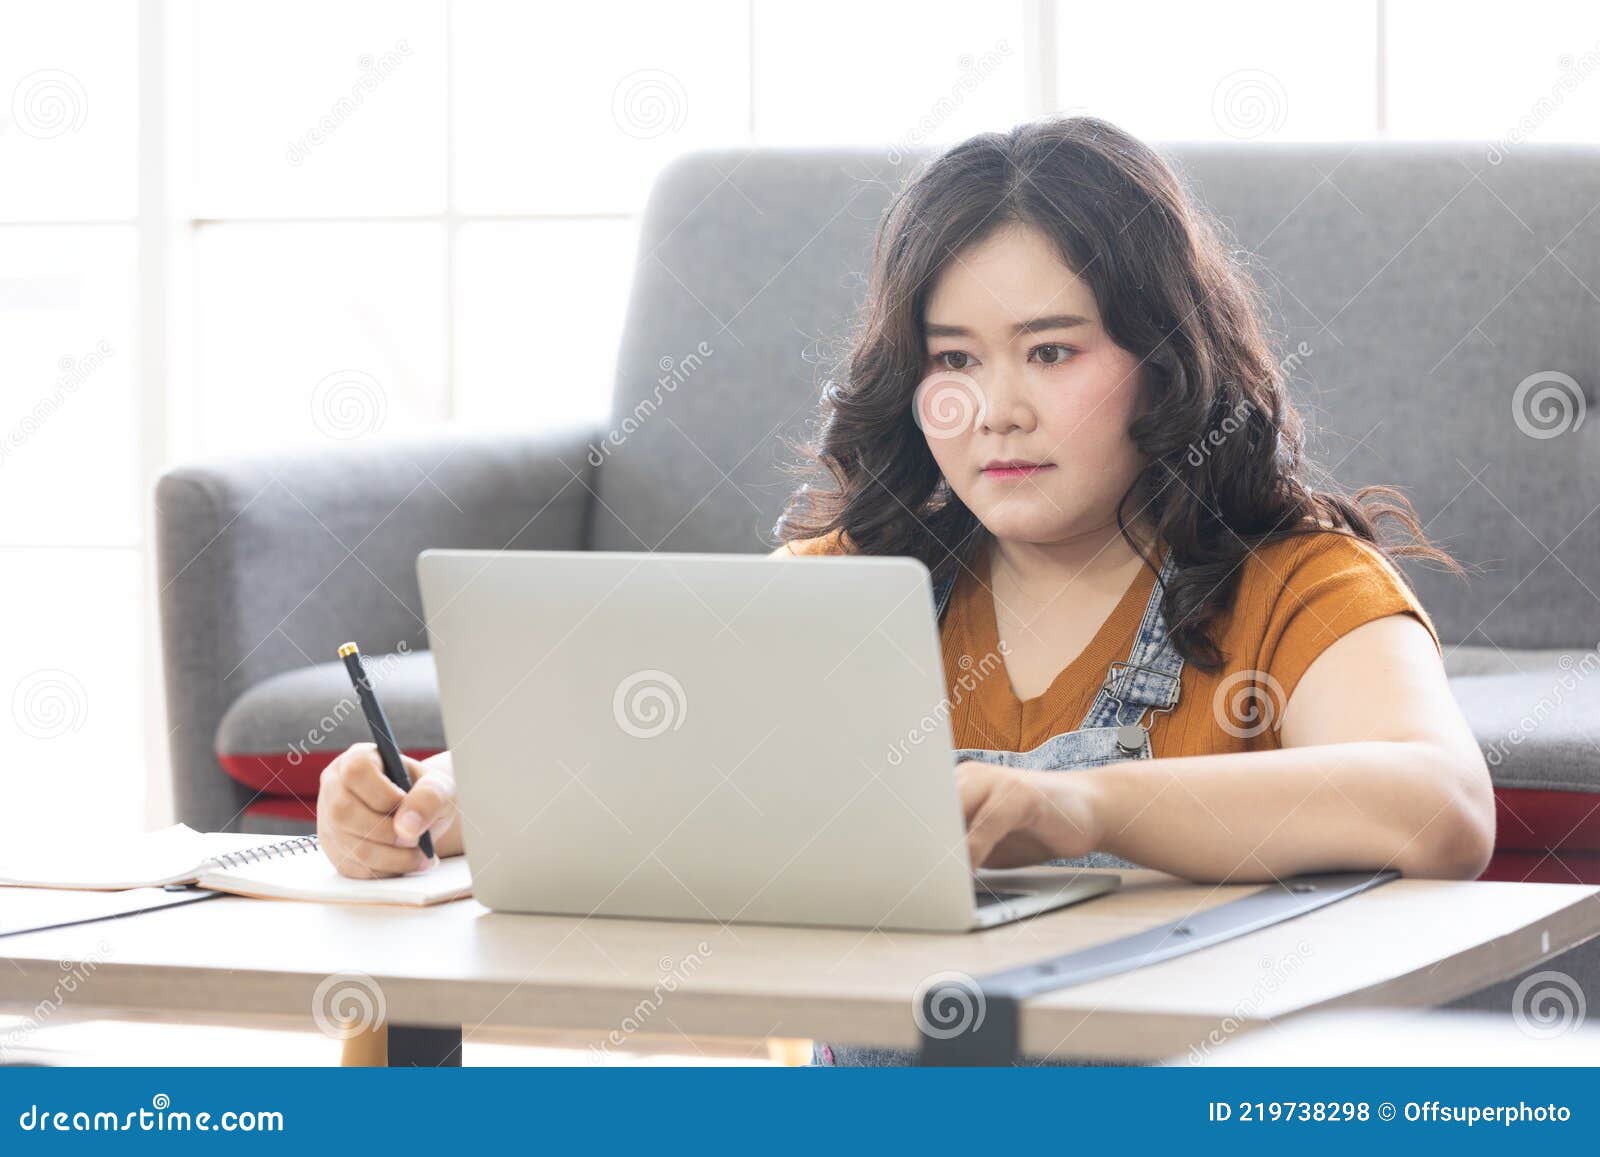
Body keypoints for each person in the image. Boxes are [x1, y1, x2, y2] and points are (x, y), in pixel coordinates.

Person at [315, 118, 1495, 1042]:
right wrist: (441, 795)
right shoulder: (852, 583)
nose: (996, 409)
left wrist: (1080, 806)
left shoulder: (1294, 581)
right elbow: (651, 755)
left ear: (1164, 359)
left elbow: (1439, 804)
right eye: (952, 360)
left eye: (1052, 350)